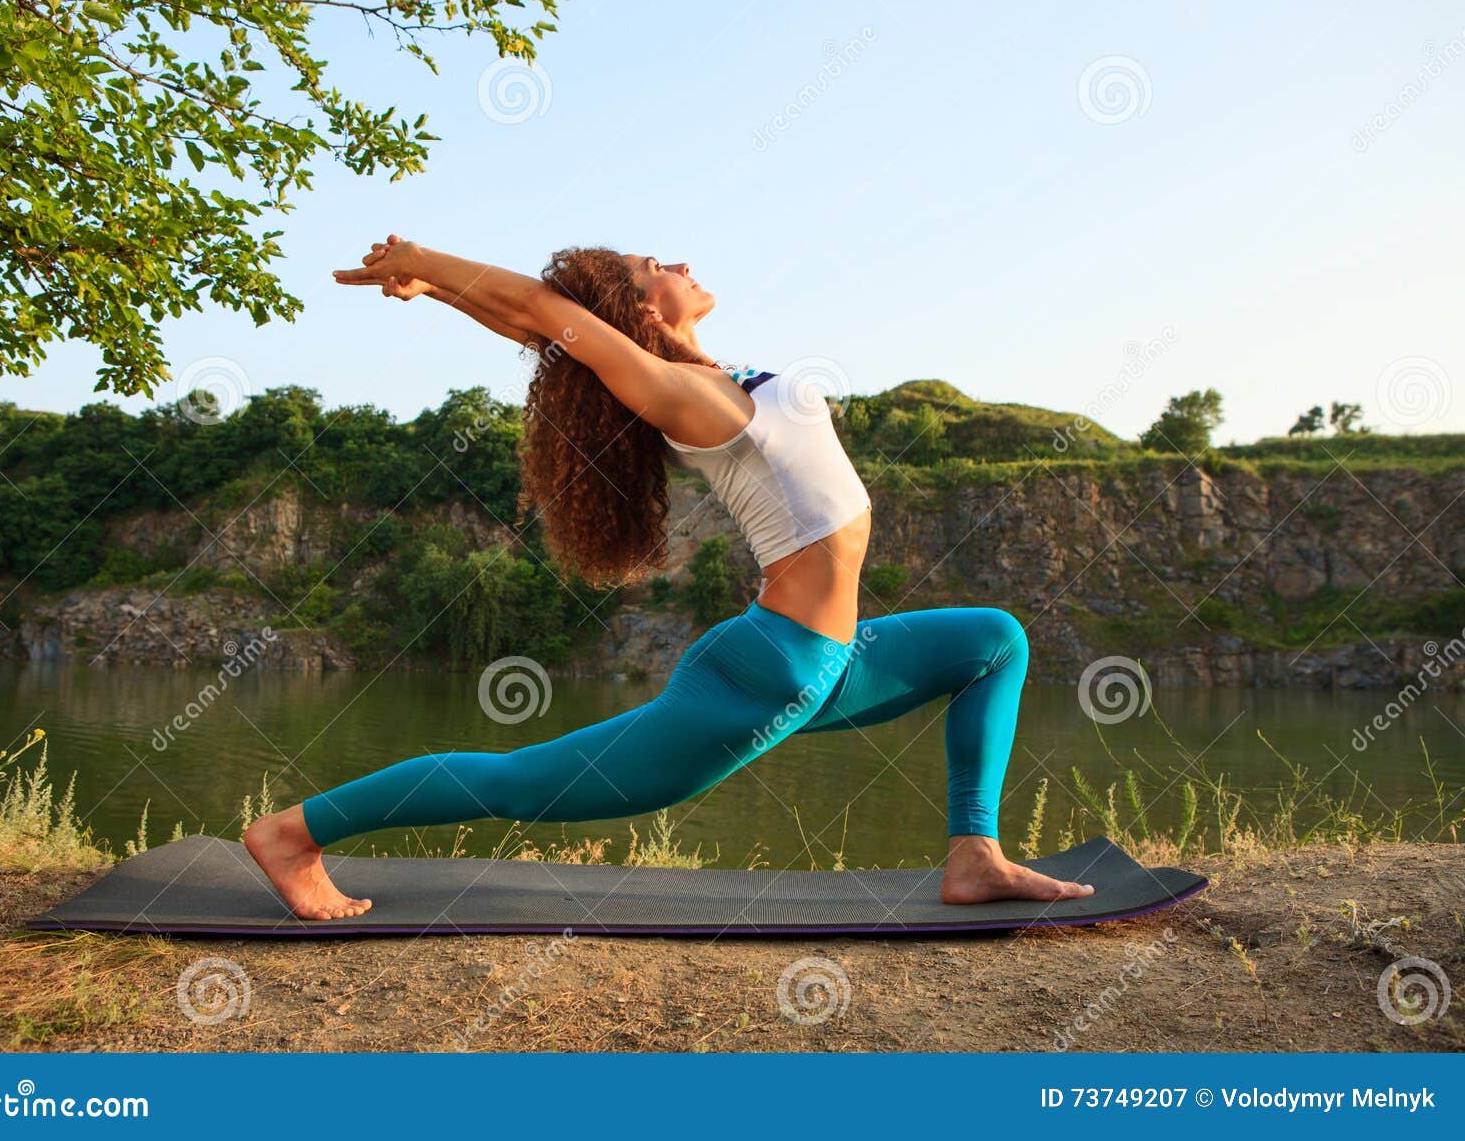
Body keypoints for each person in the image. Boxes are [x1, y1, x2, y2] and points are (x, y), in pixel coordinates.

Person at [242, 236, 1094, 919]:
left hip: (828, 659)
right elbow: (551, 313)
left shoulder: (728, 380)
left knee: (993, 640)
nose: (682, 264)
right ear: (640, 308)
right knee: (519, 783)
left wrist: (445, 293)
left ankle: (974, 856)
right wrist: (424, 260)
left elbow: (546, 331)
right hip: (773, 668)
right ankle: (293, 833)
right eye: (657, 268)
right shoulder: (689, 398)